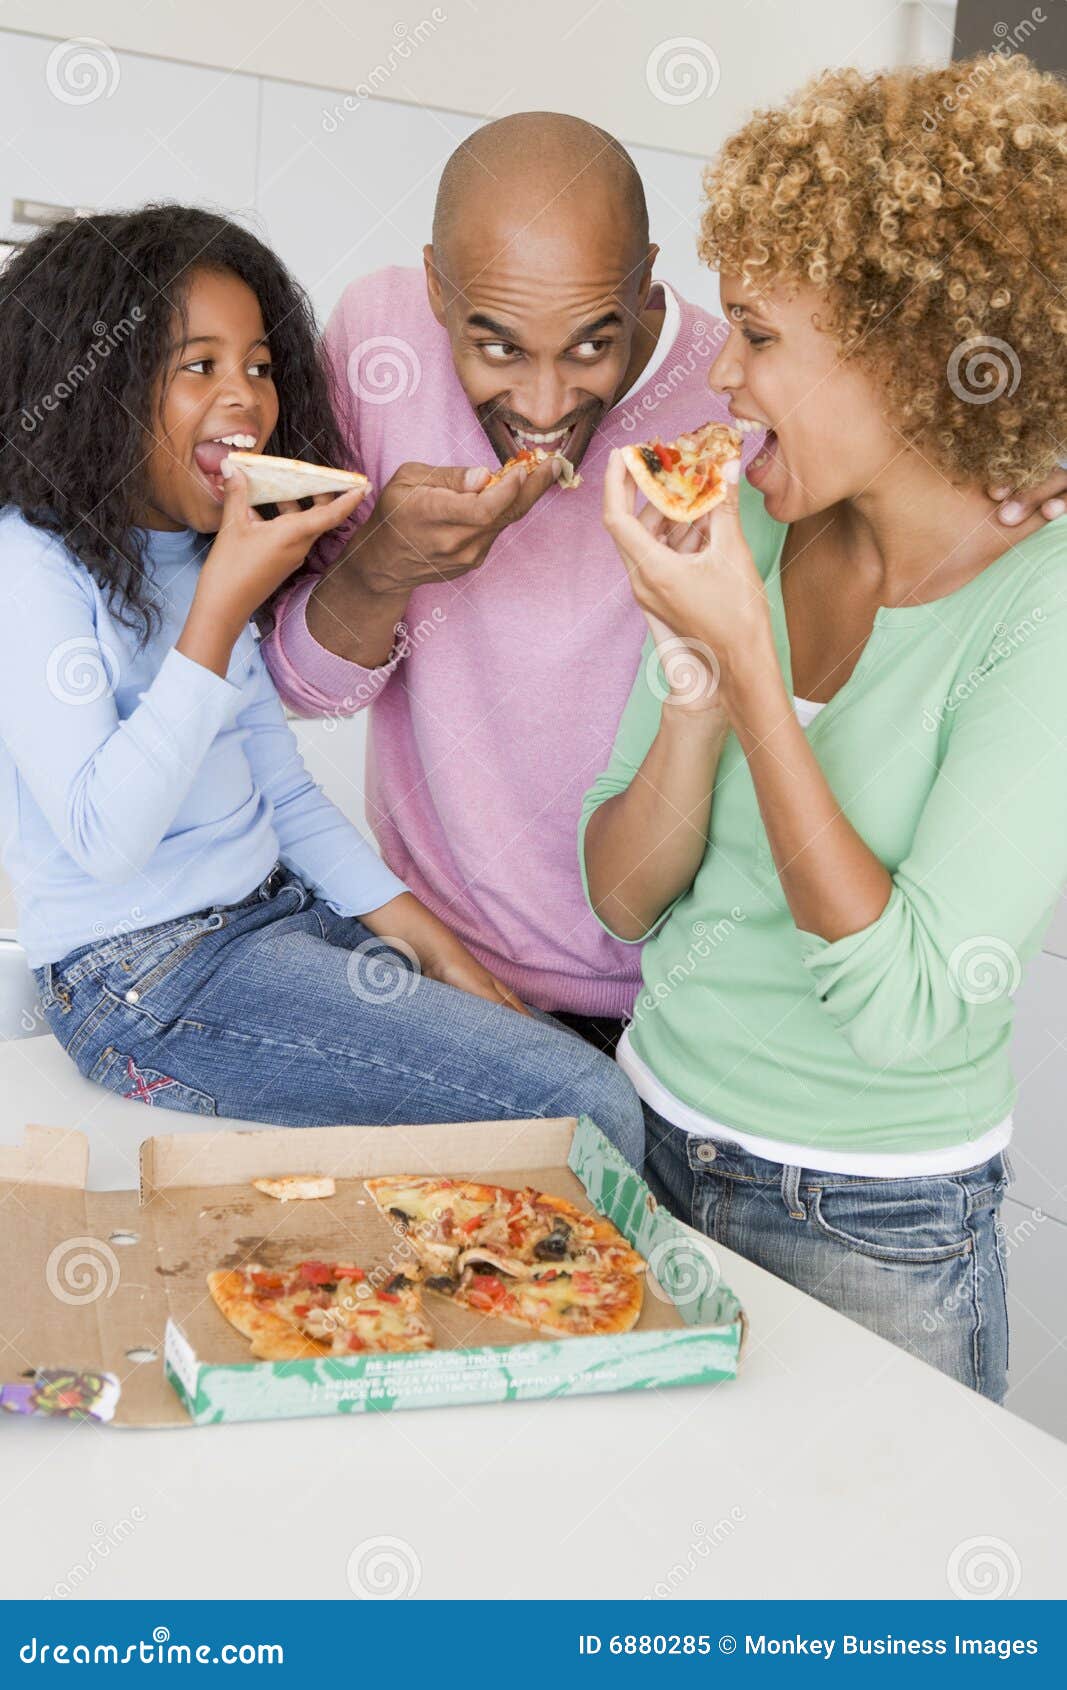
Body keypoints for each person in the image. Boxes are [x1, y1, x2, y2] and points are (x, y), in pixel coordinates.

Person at [262, 110, 1067, 1059]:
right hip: (429, 959)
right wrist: (383, 565)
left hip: (662, 1011)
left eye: (589, 346)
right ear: (438, 287)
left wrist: (1028, 452)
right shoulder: (378, 342)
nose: (544, 405)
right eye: (498, 347)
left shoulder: (749, 424)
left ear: (645, 283)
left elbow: (912, 434)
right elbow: (301, 692)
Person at [582, 53, 1067, 1398]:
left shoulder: (1038, 608)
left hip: (868, 1227)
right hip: (644, 1140)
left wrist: (747, 659)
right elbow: (621, 898)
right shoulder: (741, 520)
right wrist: (696, 678)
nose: (718, 373)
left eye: (757, 334)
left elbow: (905, 1006)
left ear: (907, 358)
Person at [0, 205, 644, 1163]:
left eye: (260, 366)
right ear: (98, 384)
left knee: (558, 1062)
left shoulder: (195, 549)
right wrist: (223, 604)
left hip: (268, 915)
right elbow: (105, 839)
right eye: (199, 366)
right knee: (585, 1105)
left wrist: (445, 956)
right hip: (139, 978)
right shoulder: (30, 564)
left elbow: (286, 797)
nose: (246, 399)